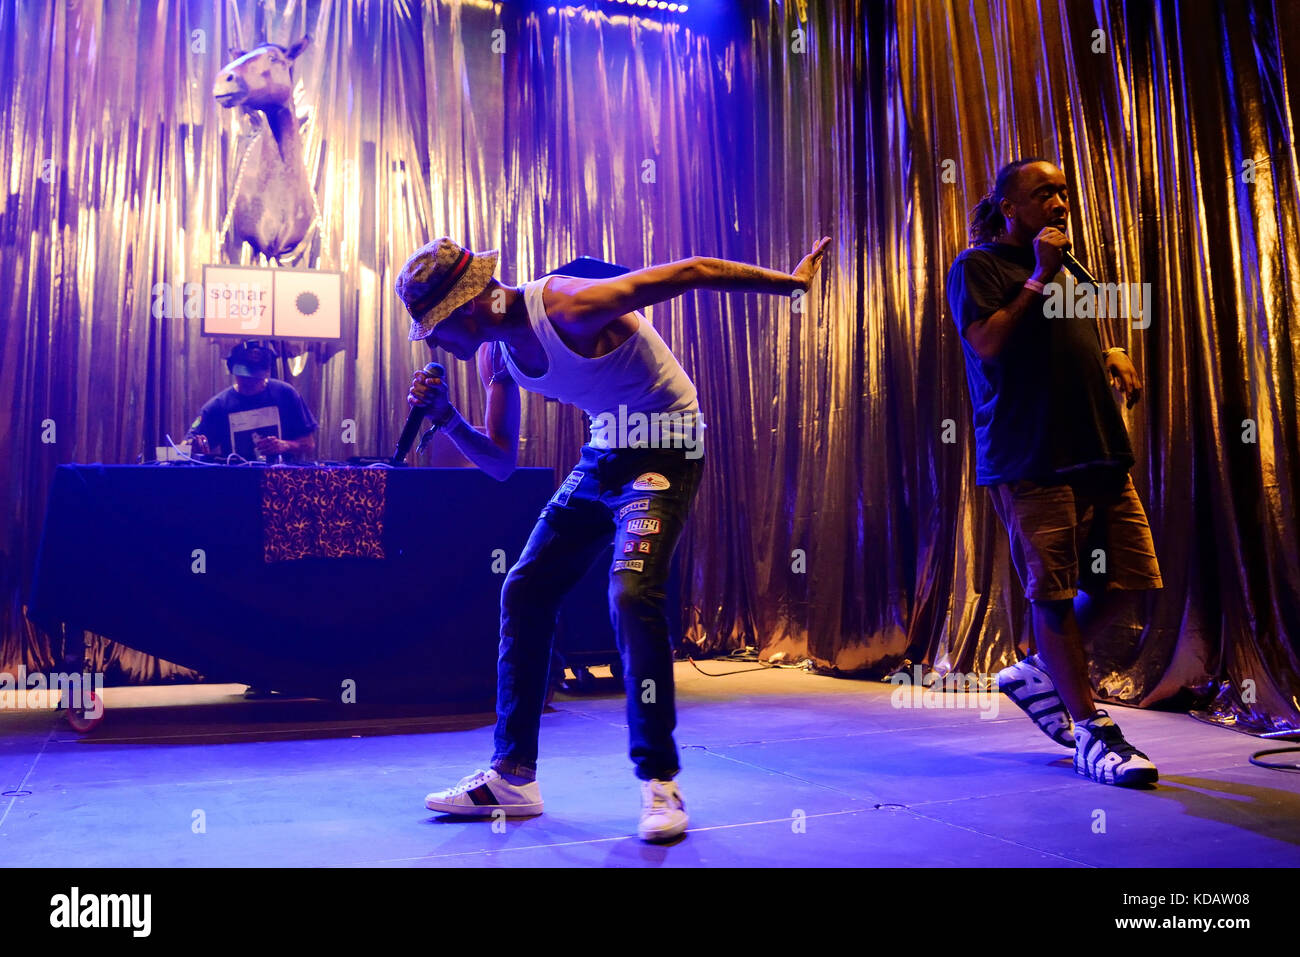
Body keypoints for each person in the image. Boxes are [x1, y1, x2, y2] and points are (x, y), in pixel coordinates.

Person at [397, 236, 830, 840]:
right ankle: (513, 777)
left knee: (631, 594)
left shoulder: (568, 306)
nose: (436, 344)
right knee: (525, 589)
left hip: (668, 450)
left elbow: (693, 269)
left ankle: (661, 783)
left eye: (435, 328)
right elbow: (498, 461)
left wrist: (793, 282)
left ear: (466, 309)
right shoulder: (498, 356)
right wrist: (448, 418)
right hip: (605, 454)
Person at [946, 158, 1163, 787]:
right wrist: (1039, 276)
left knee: (1130, 577)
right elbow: (986, 342)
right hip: (1030, 454)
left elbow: (1072, 330)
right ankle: (1092, 734)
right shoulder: (979, 266)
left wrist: (1112, 348)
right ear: (1010, 206)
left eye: (1064, 191)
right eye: (1045, 193)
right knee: (1055, 592)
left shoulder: (1067, 266)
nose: (1060, 202)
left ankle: (1038, 670)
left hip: (1097, 446)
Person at [187, 340, 318, 462]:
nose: (249, 381)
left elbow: (309, 444)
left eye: (255, 377)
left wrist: (285, 445)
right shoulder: (218, 406)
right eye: (244, 376)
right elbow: (186, 446)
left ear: (267, 372)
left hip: (280, 479)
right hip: (235, 481)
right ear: (234, 371)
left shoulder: (286, 394)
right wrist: (195, 446)